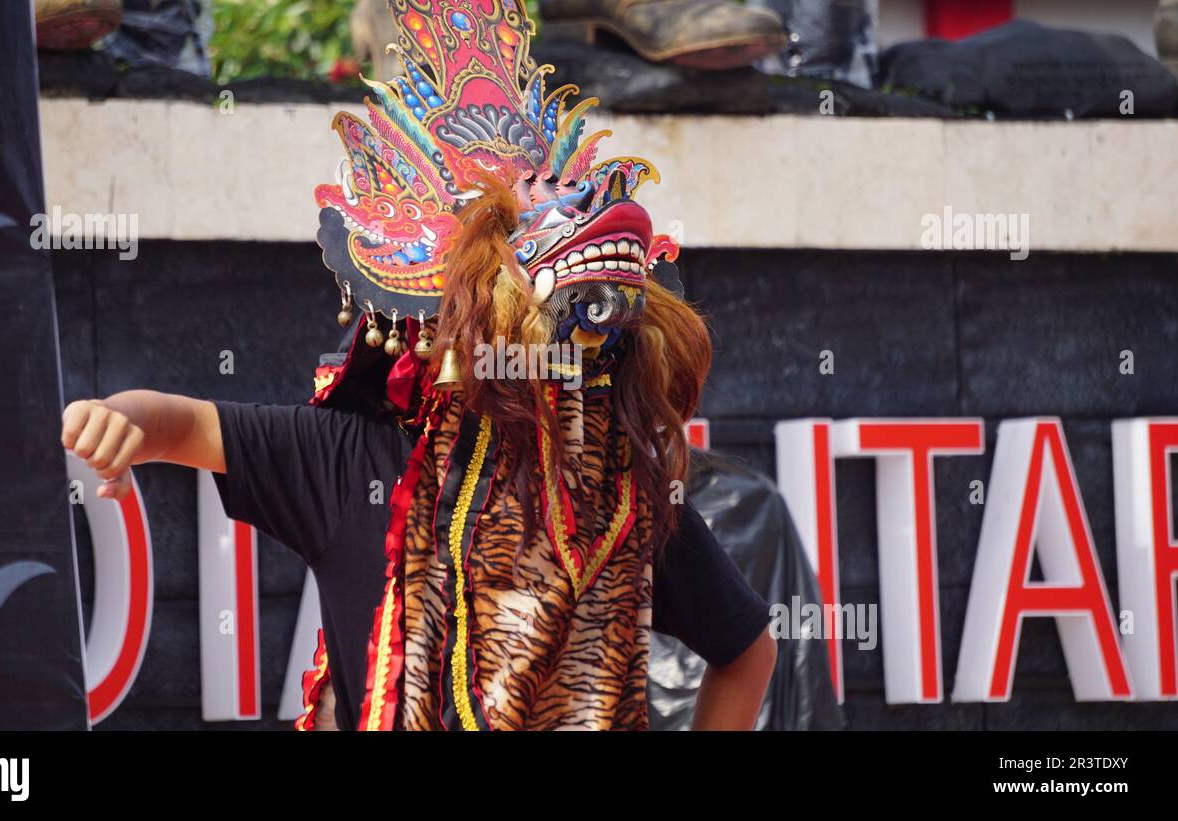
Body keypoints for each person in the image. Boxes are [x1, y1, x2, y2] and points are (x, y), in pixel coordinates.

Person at [62, 0, 778, 730]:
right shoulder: (357, 462)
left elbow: (747, 648)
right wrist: (122, 419)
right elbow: (185, 423)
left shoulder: (619, 492)